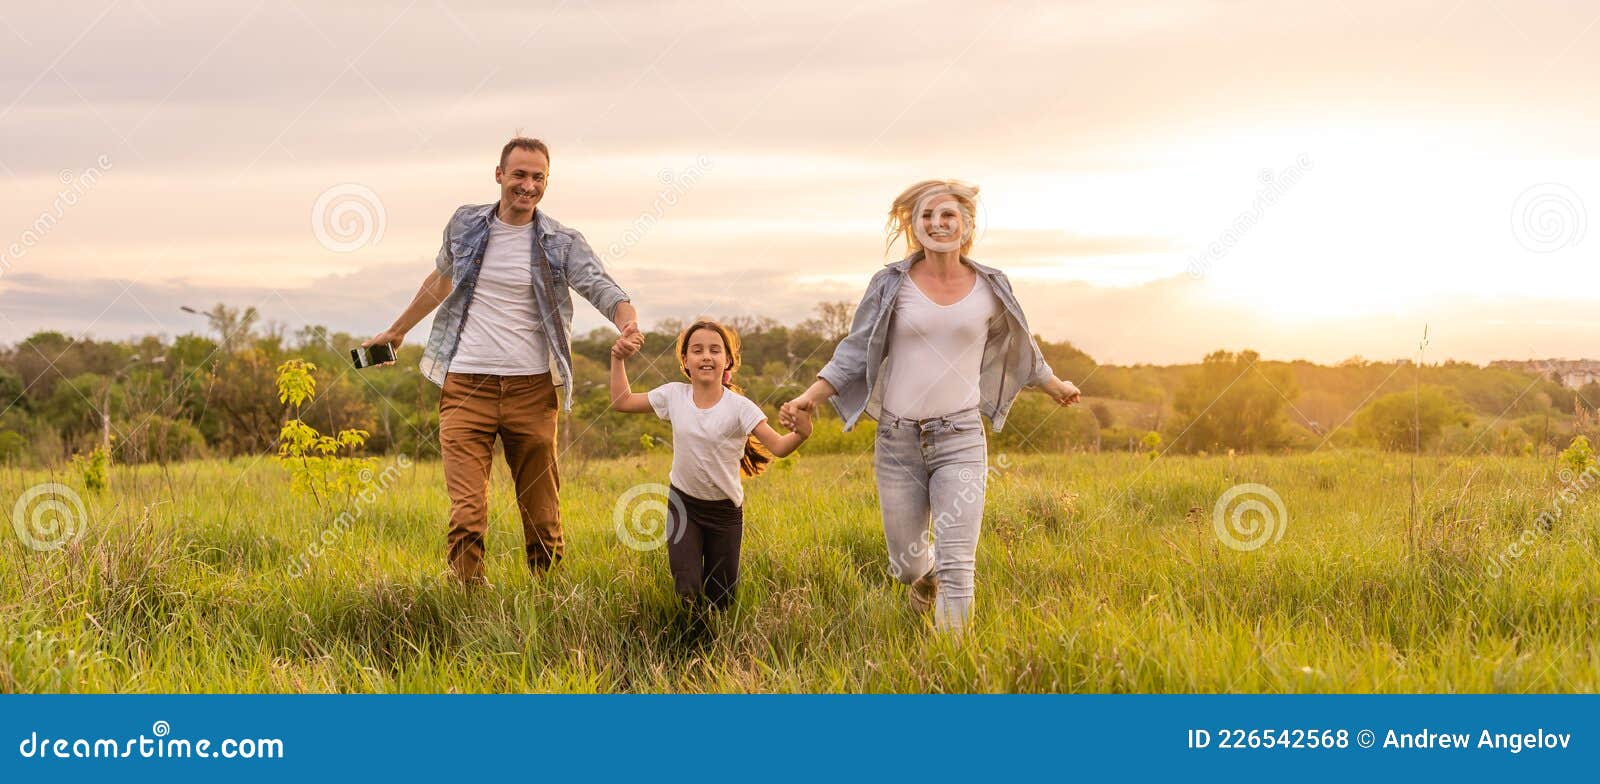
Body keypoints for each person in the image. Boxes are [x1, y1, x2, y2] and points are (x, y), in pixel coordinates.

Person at [780, 179, 1080, 632]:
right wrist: (809, 396)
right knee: (906, 564)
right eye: (927, 217)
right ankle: (925, 578)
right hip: (898, 440)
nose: (937, 224)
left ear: (966, 225)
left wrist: (1054, 383)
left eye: (947, 216)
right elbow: (856, 351)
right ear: (914, 225)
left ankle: (950, 669)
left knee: (960, 567)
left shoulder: (990, 285)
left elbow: (1021, 344)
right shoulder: (890, 284)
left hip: (960, 437)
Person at [364, 137, 644, 585]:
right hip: (465, 386)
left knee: (542, 514)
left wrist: (626, 323)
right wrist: (397, 330)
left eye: (538, 178)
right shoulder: (465, 224)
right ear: (499, 175)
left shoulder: (563, 242)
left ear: (547, 183)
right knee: (467, 513)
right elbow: (441, 278)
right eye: (519, 175)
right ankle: (466, 606)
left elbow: (604, 289)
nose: (527, 186)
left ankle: (547, 600)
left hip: (531, 392)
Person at [609, 319, 811, 609]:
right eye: (697, 350)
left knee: (722, 600)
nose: (706, 356)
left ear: (728, 361)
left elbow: (778, 446)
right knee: (687, 589)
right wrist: (617, 359)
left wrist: (802, 433)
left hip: (725, 514)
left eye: (715, 350)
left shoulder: (740, 408)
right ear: (685, 361)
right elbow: (622, 401)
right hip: (683, 506)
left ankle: (717, 648)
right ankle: (690, 643)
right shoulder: (673, 395)